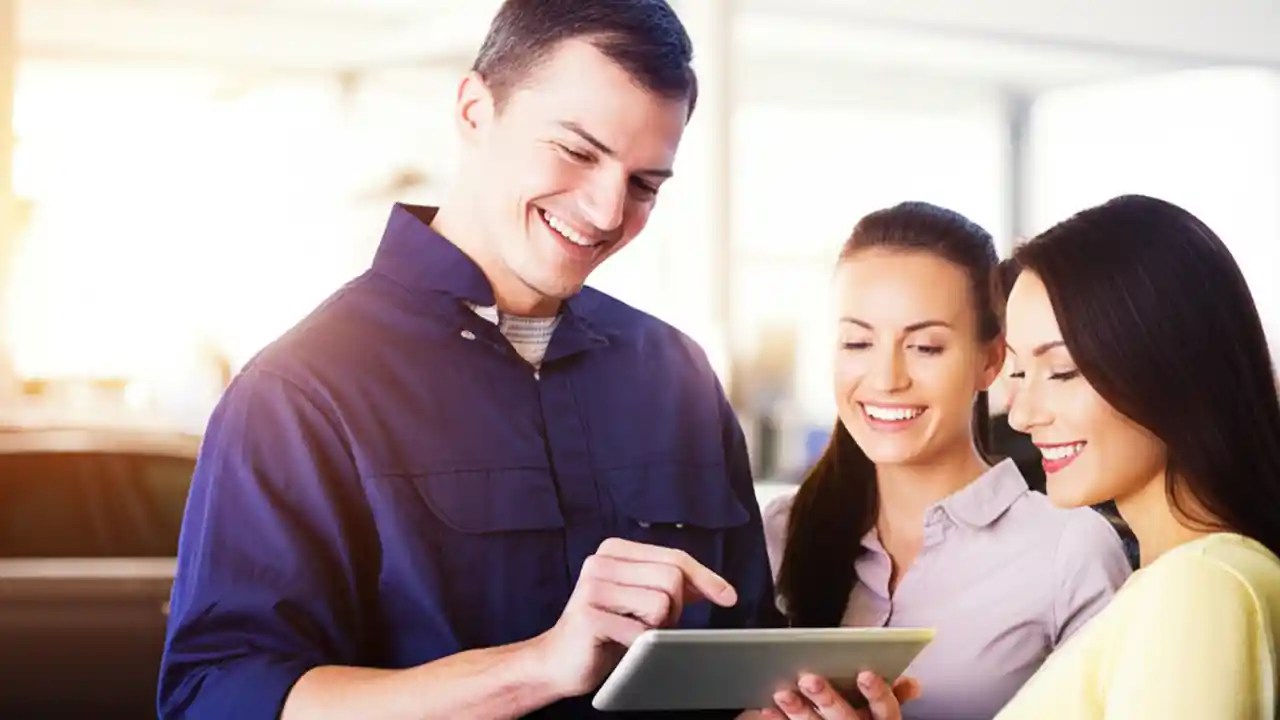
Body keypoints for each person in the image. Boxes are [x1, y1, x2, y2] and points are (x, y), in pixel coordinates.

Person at [158, 2, 779, 718]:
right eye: (577, 152)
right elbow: (216, 699)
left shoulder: (678, 375)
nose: (609, 212)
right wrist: (537, 668)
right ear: (475, 111)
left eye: (645, 184)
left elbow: (743, 656)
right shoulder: (301, 391)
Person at [798, 194, 1280, 719]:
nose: (1022, 417)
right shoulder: (1178, 584)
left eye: (1063, 372)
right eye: (1022, 374)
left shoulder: (1199, 587)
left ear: (1167, 366)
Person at [758, 202, 1131, 720]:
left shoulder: (1070, 551)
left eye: (926, 347)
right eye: (858, 342)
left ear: (991, 360)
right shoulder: (779, 533)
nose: (886, 377)